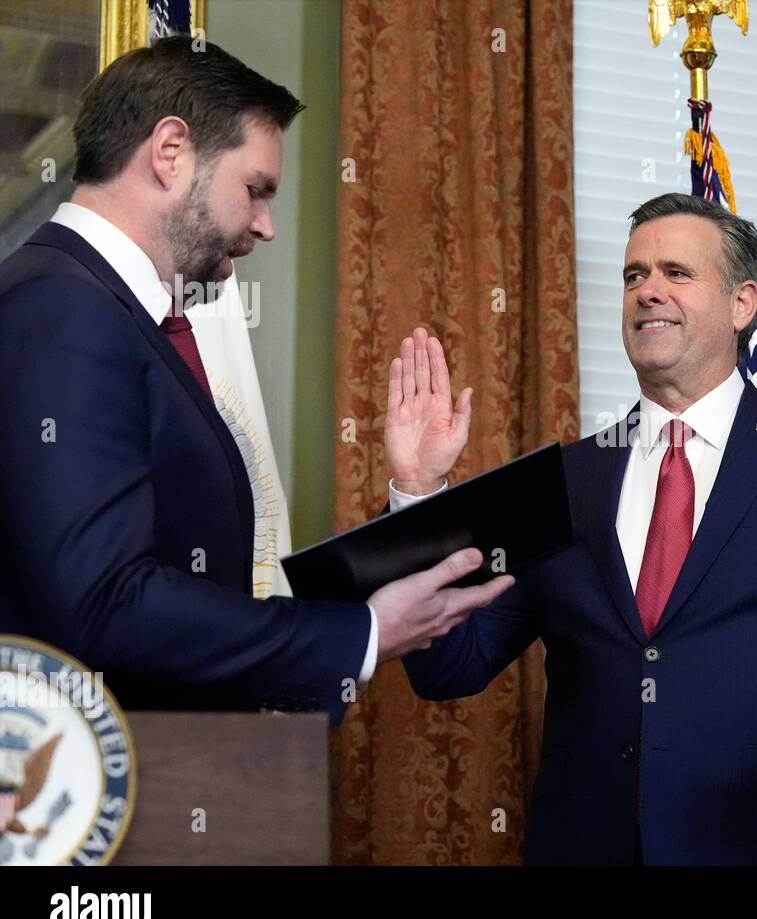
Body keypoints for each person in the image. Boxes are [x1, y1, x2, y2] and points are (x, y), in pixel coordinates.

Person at [402, 192, 757, 864]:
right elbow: (449, 665)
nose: (648, 291)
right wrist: (417, 492)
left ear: (742, 303)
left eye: (677, 272)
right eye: (634, 276)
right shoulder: (563, 480)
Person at [0, 37, 511, 723]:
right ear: (170, 153)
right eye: (256, 190)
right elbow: (104, 600)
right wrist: (363, 633)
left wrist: (406, 516)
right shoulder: (66, 310)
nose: (266, 226)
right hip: (94, 793)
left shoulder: (98, 307)